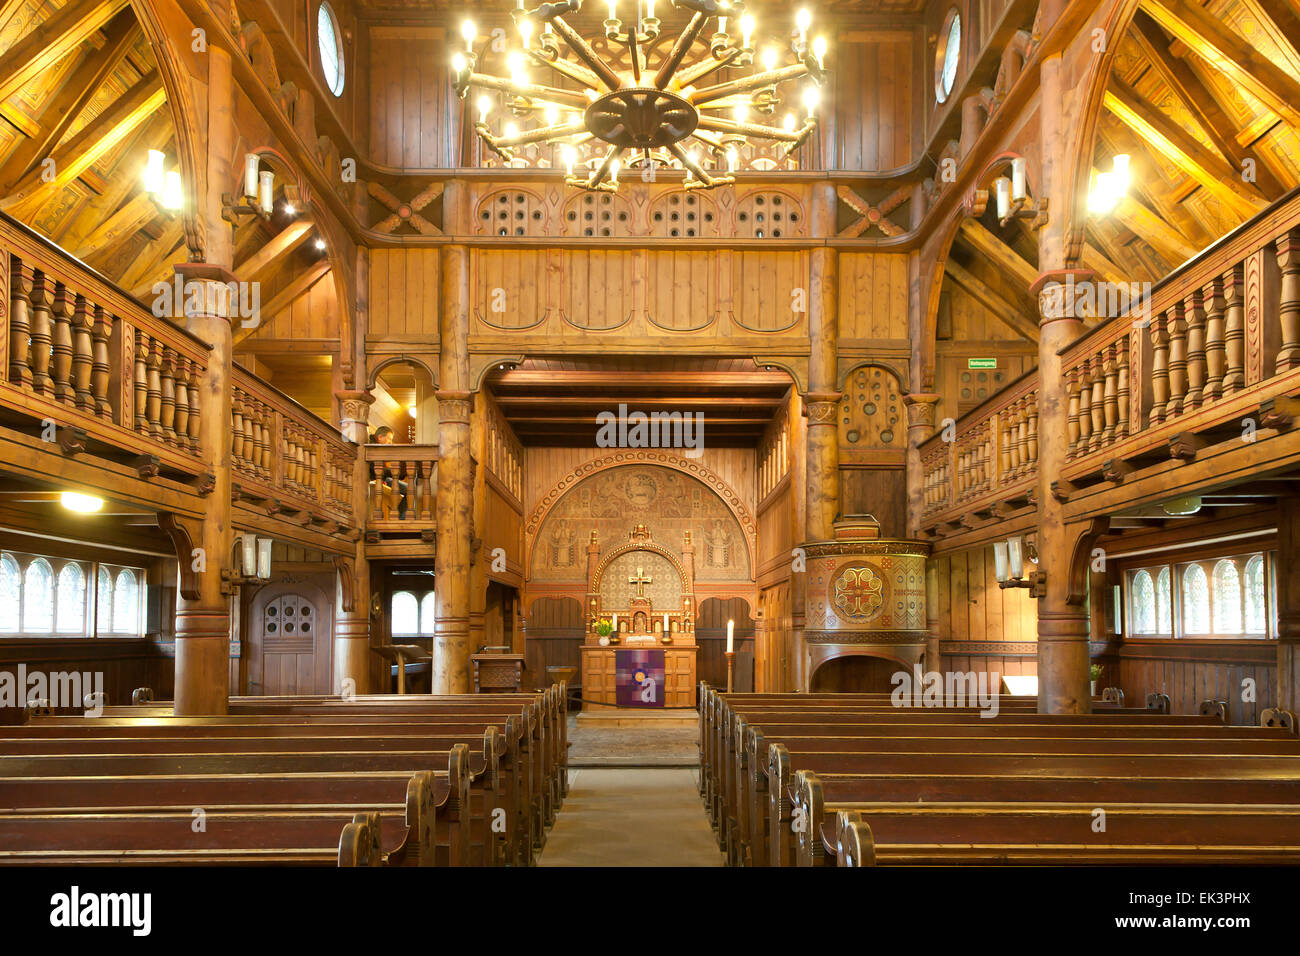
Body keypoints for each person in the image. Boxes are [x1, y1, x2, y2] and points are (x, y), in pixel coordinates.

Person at [371, 426, 408, 518]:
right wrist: (396, 472)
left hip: (382, 478)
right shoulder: (372, 447)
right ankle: (402, 518)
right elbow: (377, 469)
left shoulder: (377, 448)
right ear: (380, 437)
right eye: (389, 439)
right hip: (376, 479)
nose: (391, 443)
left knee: (410, 488)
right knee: (410, 489)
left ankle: (400, 516)